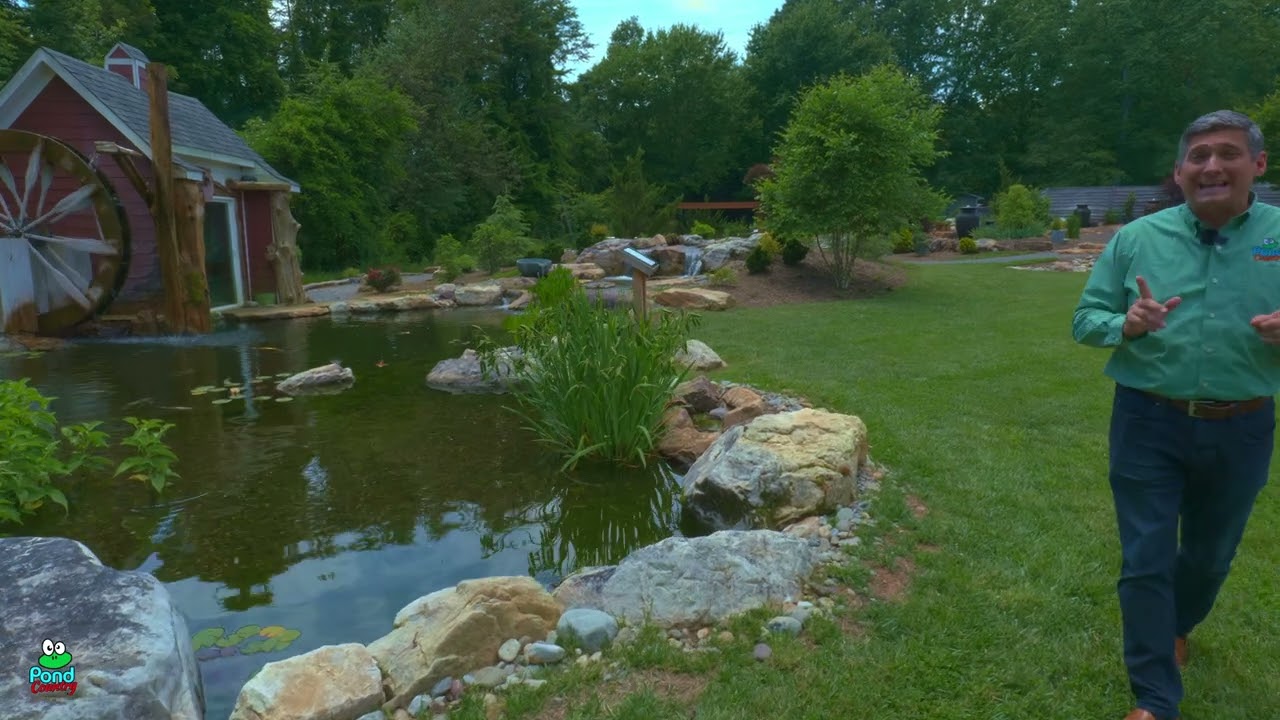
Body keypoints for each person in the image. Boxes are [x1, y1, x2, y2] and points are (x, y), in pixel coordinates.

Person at [1072, 109, 1280, 720]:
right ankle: (1155, 699)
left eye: (1228, 153)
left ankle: (1178, 624)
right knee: (1146, 557)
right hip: (1148, 420)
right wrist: (1127, 324)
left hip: (1243, 425)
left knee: (1211, 556)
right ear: (1180, 170)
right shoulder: (1138, 239)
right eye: (1199, 156)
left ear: (1258, 164)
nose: (1212, 165)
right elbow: (1085, 320)